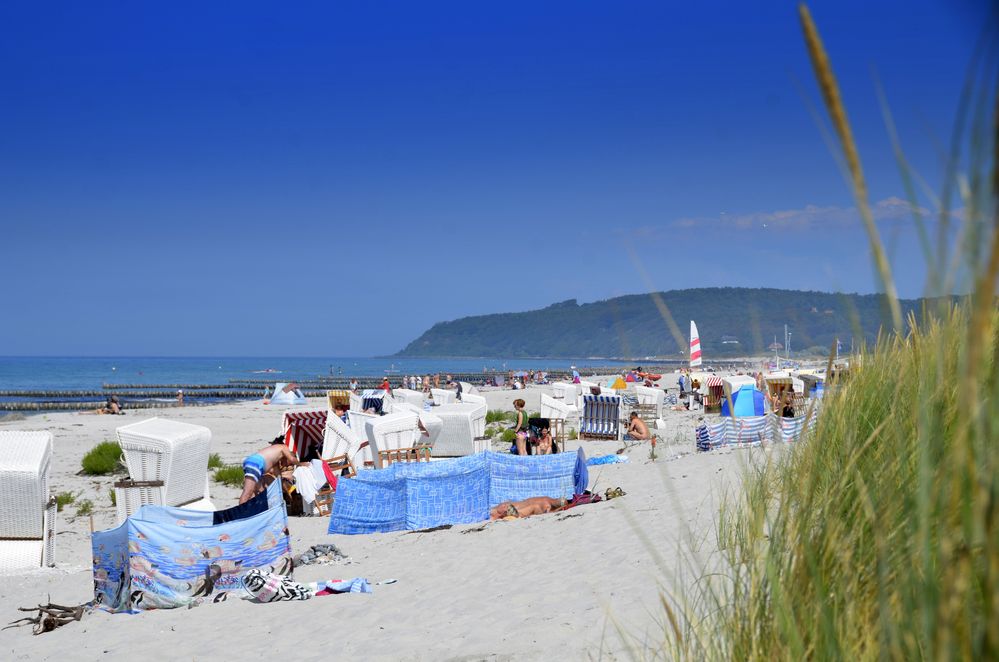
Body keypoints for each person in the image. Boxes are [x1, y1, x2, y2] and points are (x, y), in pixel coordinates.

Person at [239, 437, 299, 504]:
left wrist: (288, 493)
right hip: (255, 465)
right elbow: (291, 459)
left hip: (255, 466)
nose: (287, 465)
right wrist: (301, 464)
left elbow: (279, 479)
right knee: (248, 492)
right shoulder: (283, 448)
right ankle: (241, 512)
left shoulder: (274, 460)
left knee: (260, 492)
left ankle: (256, 510)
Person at [490, 496, 567, 520]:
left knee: (495, 512)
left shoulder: (546, 499)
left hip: (513, 506)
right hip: (516, 509)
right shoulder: (547, 504)